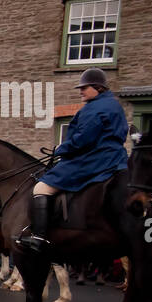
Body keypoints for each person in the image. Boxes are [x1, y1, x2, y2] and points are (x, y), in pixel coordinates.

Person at [17, 68, 128, 252]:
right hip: (116, 158)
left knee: (41, 187)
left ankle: (39, 237)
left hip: (92, 160)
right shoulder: (115, 105)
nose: (81, 91)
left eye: (85, 87)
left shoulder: (95, 108)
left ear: (98, 88)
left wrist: (61, 149)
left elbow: (83, 140)